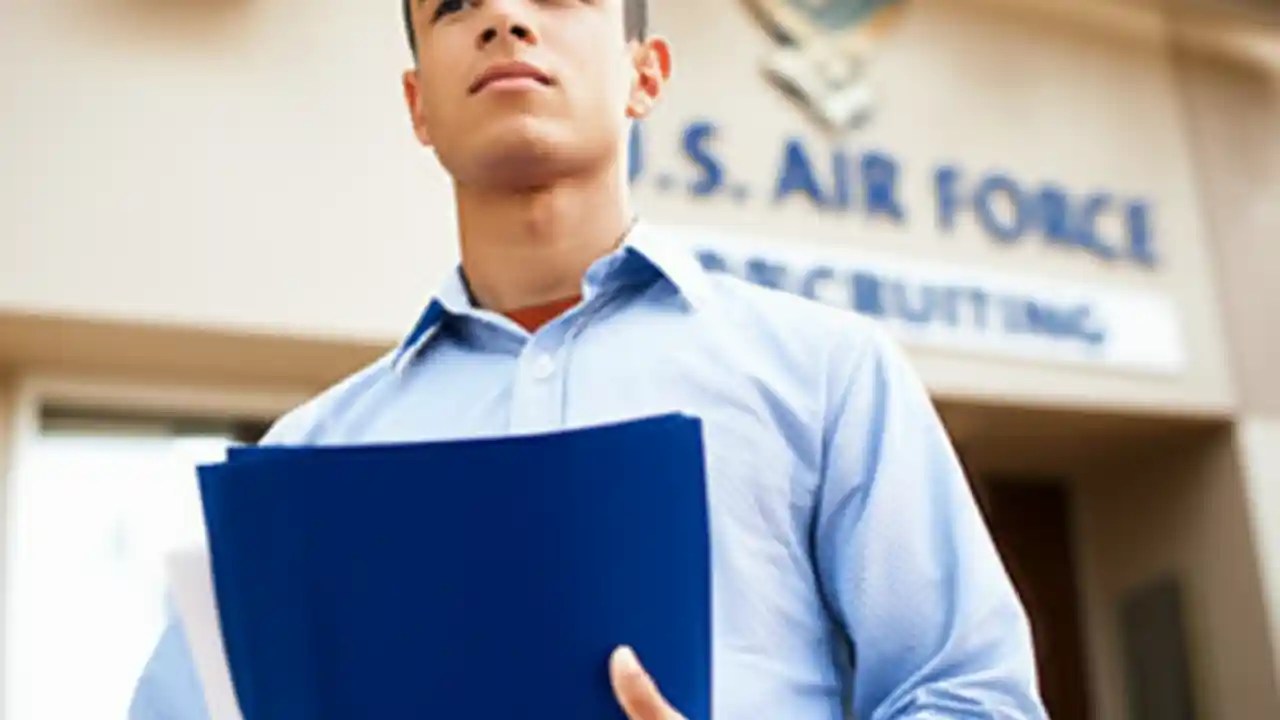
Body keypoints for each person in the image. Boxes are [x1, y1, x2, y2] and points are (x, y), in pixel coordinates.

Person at [130, 0, 1048, 717]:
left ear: (646, 74)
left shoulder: (826, 376)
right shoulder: (306, 457)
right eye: (454, 5)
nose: (502, 18)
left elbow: (973, 697)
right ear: (417, 107)